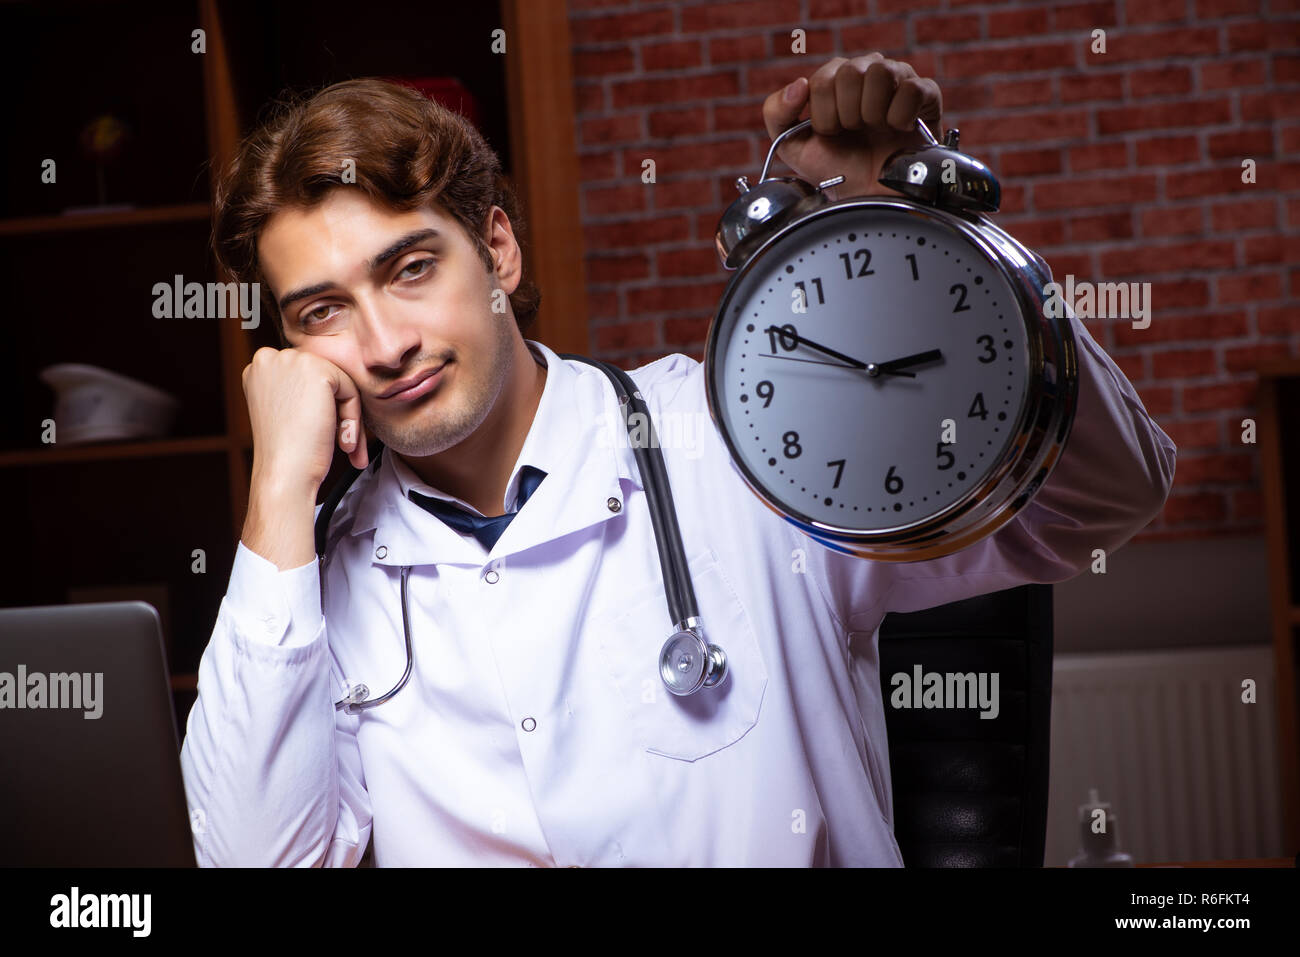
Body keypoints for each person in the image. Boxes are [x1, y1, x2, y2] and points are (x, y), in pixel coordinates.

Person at [179, 53, 1176, 866]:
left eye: (409, 269)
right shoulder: (313, 580)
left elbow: (1103, 497)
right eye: (322, 312)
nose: (384, 343)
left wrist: (931, 228)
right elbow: (257, 860)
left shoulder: (739, 431)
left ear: (498, 251)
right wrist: (277, 498)